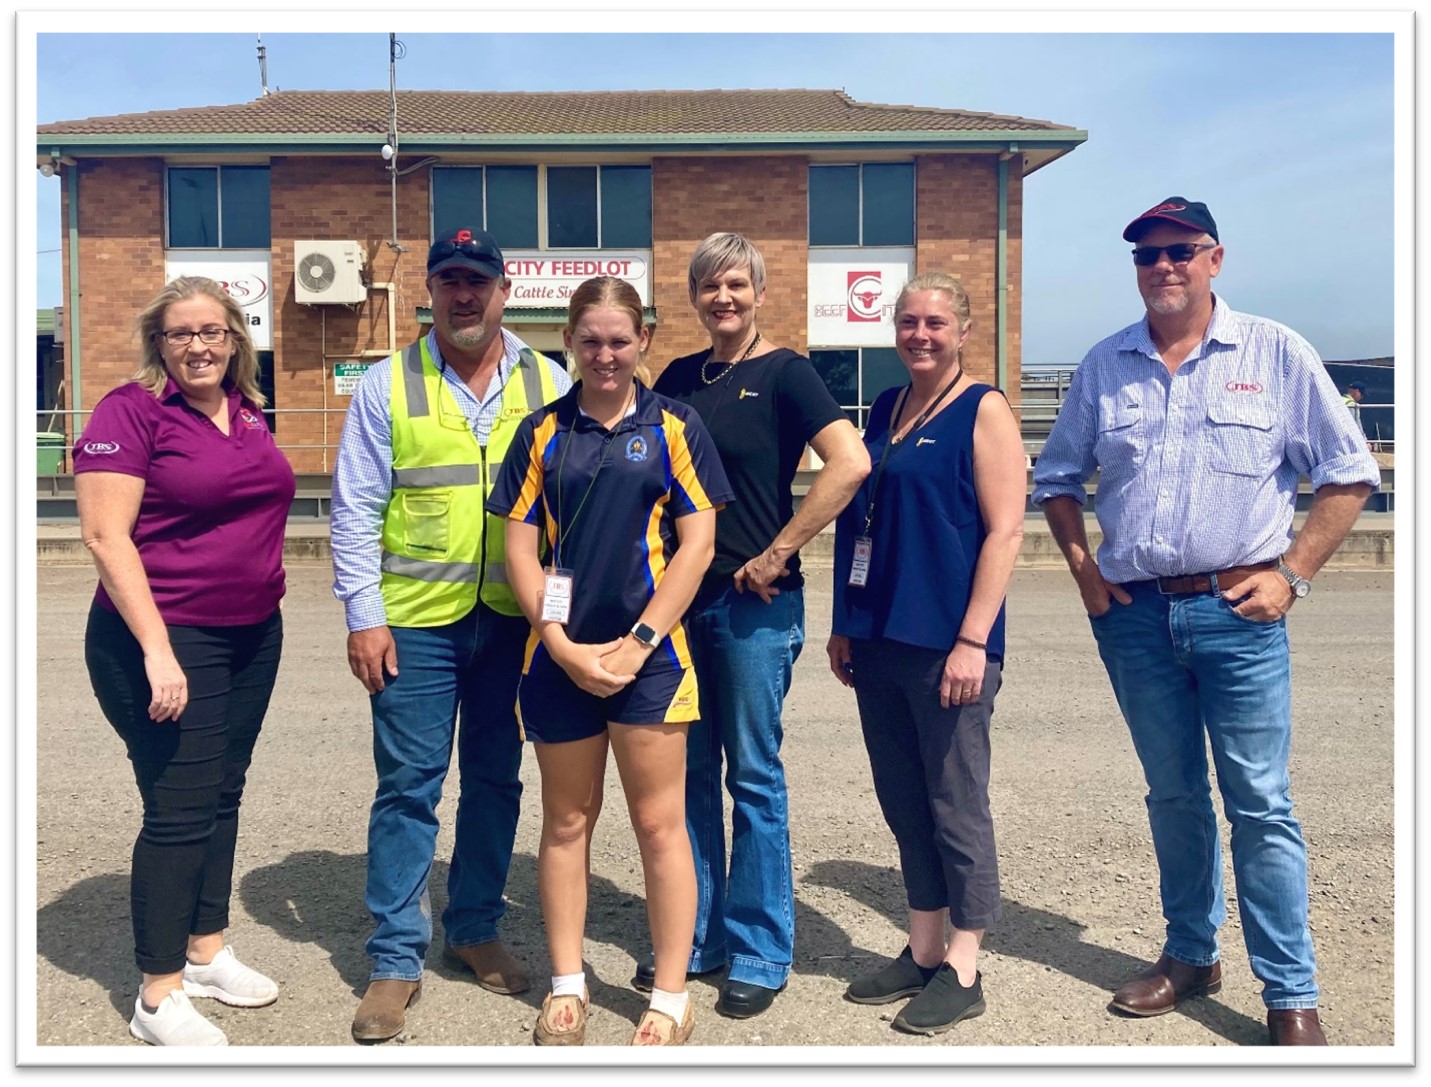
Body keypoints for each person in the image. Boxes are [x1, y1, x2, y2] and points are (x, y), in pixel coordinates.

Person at [1031, 196, 1380, 1046]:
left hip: (1238, 613)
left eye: (1179, 250)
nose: (1162, 267)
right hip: (1136, 617)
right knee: (1175, 794)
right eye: (1146, 255)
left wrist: (1292, 574)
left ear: (1214, 258)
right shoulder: (1104, 364)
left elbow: (1348, 472)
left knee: (1259, 802)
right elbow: (1056, 478)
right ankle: (1190, 955)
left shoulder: (1273, 352)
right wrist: (1083, 570)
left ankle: (1289, 991)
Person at [330, 227, 571, 1043]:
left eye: (480, 281)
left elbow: (574, 505)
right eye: (449, 281)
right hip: (416, 626)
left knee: (497, 779)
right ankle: (396, 958)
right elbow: (356, 507)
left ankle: (472, 925)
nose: (464, 295)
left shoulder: (549, 379)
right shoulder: (385, 384)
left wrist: (566, 615)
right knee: (409, 787)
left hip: (515, 622)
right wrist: (364, 614)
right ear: (428, 291)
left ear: (506, 292)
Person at [489, 276, 733, 1046]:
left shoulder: (676, 426)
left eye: (619, 340)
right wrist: (558, 643)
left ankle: (669, 990)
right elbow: (521, 549)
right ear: (570, 340)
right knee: (565, 820)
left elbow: (698, 544)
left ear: (644, 341)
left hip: (651, 661)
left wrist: (641, 641)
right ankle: (568, 983)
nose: (604, 354)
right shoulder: (539, 432)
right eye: (589, 340)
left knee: (660, 826)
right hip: (559, 658)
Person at [651, 232, 871, 1017]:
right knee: (686, 779)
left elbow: (848, 463)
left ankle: (759, 945)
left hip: (753, 607)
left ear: (758, 292)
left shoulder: (787, 374)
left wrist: (780, 549)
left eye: (736, 285)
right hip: (683, 603)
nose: (723, 299)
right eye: (710, 285)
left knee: (750, 776)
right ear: (694, 295)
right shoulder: (677, 377)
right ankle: (698, 934)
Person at [76, 276, 295, 1046]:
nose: (198, 346)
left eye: (212, 331)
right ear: (158, 344)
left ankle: (204, 949)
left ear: (235, 338)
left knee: (221, 794)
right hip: (163, 640)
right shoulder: (129, 411)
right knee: (177, 808)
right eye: (181, 334)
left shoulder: (248, 412)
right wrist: (159, 647)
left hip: (250, 634)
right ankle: (157, 993)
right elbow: (107, 536)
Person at [825, 272, 1026, 1035]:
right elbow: (860, 516)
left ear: (962, 329)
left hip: (947, 643)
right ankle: (921, 945)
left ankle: (964, 963)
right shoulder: (884, 407)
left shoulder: (985, 410)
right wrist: (846, 619)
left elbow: (1005, 530)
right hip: (878, 636)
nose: (918, 335)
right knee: (904, 799)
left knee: (954, 801)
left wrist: (972, 639)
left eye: (934, 323)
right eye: (907, 321)